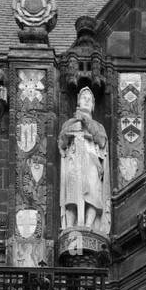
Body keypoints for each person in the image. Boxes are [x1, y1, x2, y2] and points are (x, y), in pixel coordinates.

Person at [58, 88, 109, 233]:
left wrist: (85, 121)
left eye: (89, 99)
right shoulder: (69, 123)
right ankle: (70, 227)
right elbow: (61, 143)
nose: (86, 100)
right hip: (74, 161)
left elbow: (102, 141)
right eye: (83, 97)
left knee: (92, 194)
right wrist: (68, 134)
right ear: (78, 102)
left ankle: (88, 226)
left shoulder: (98, 126)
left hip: (92, 161)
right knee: (72, 196)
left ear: (93, 105)